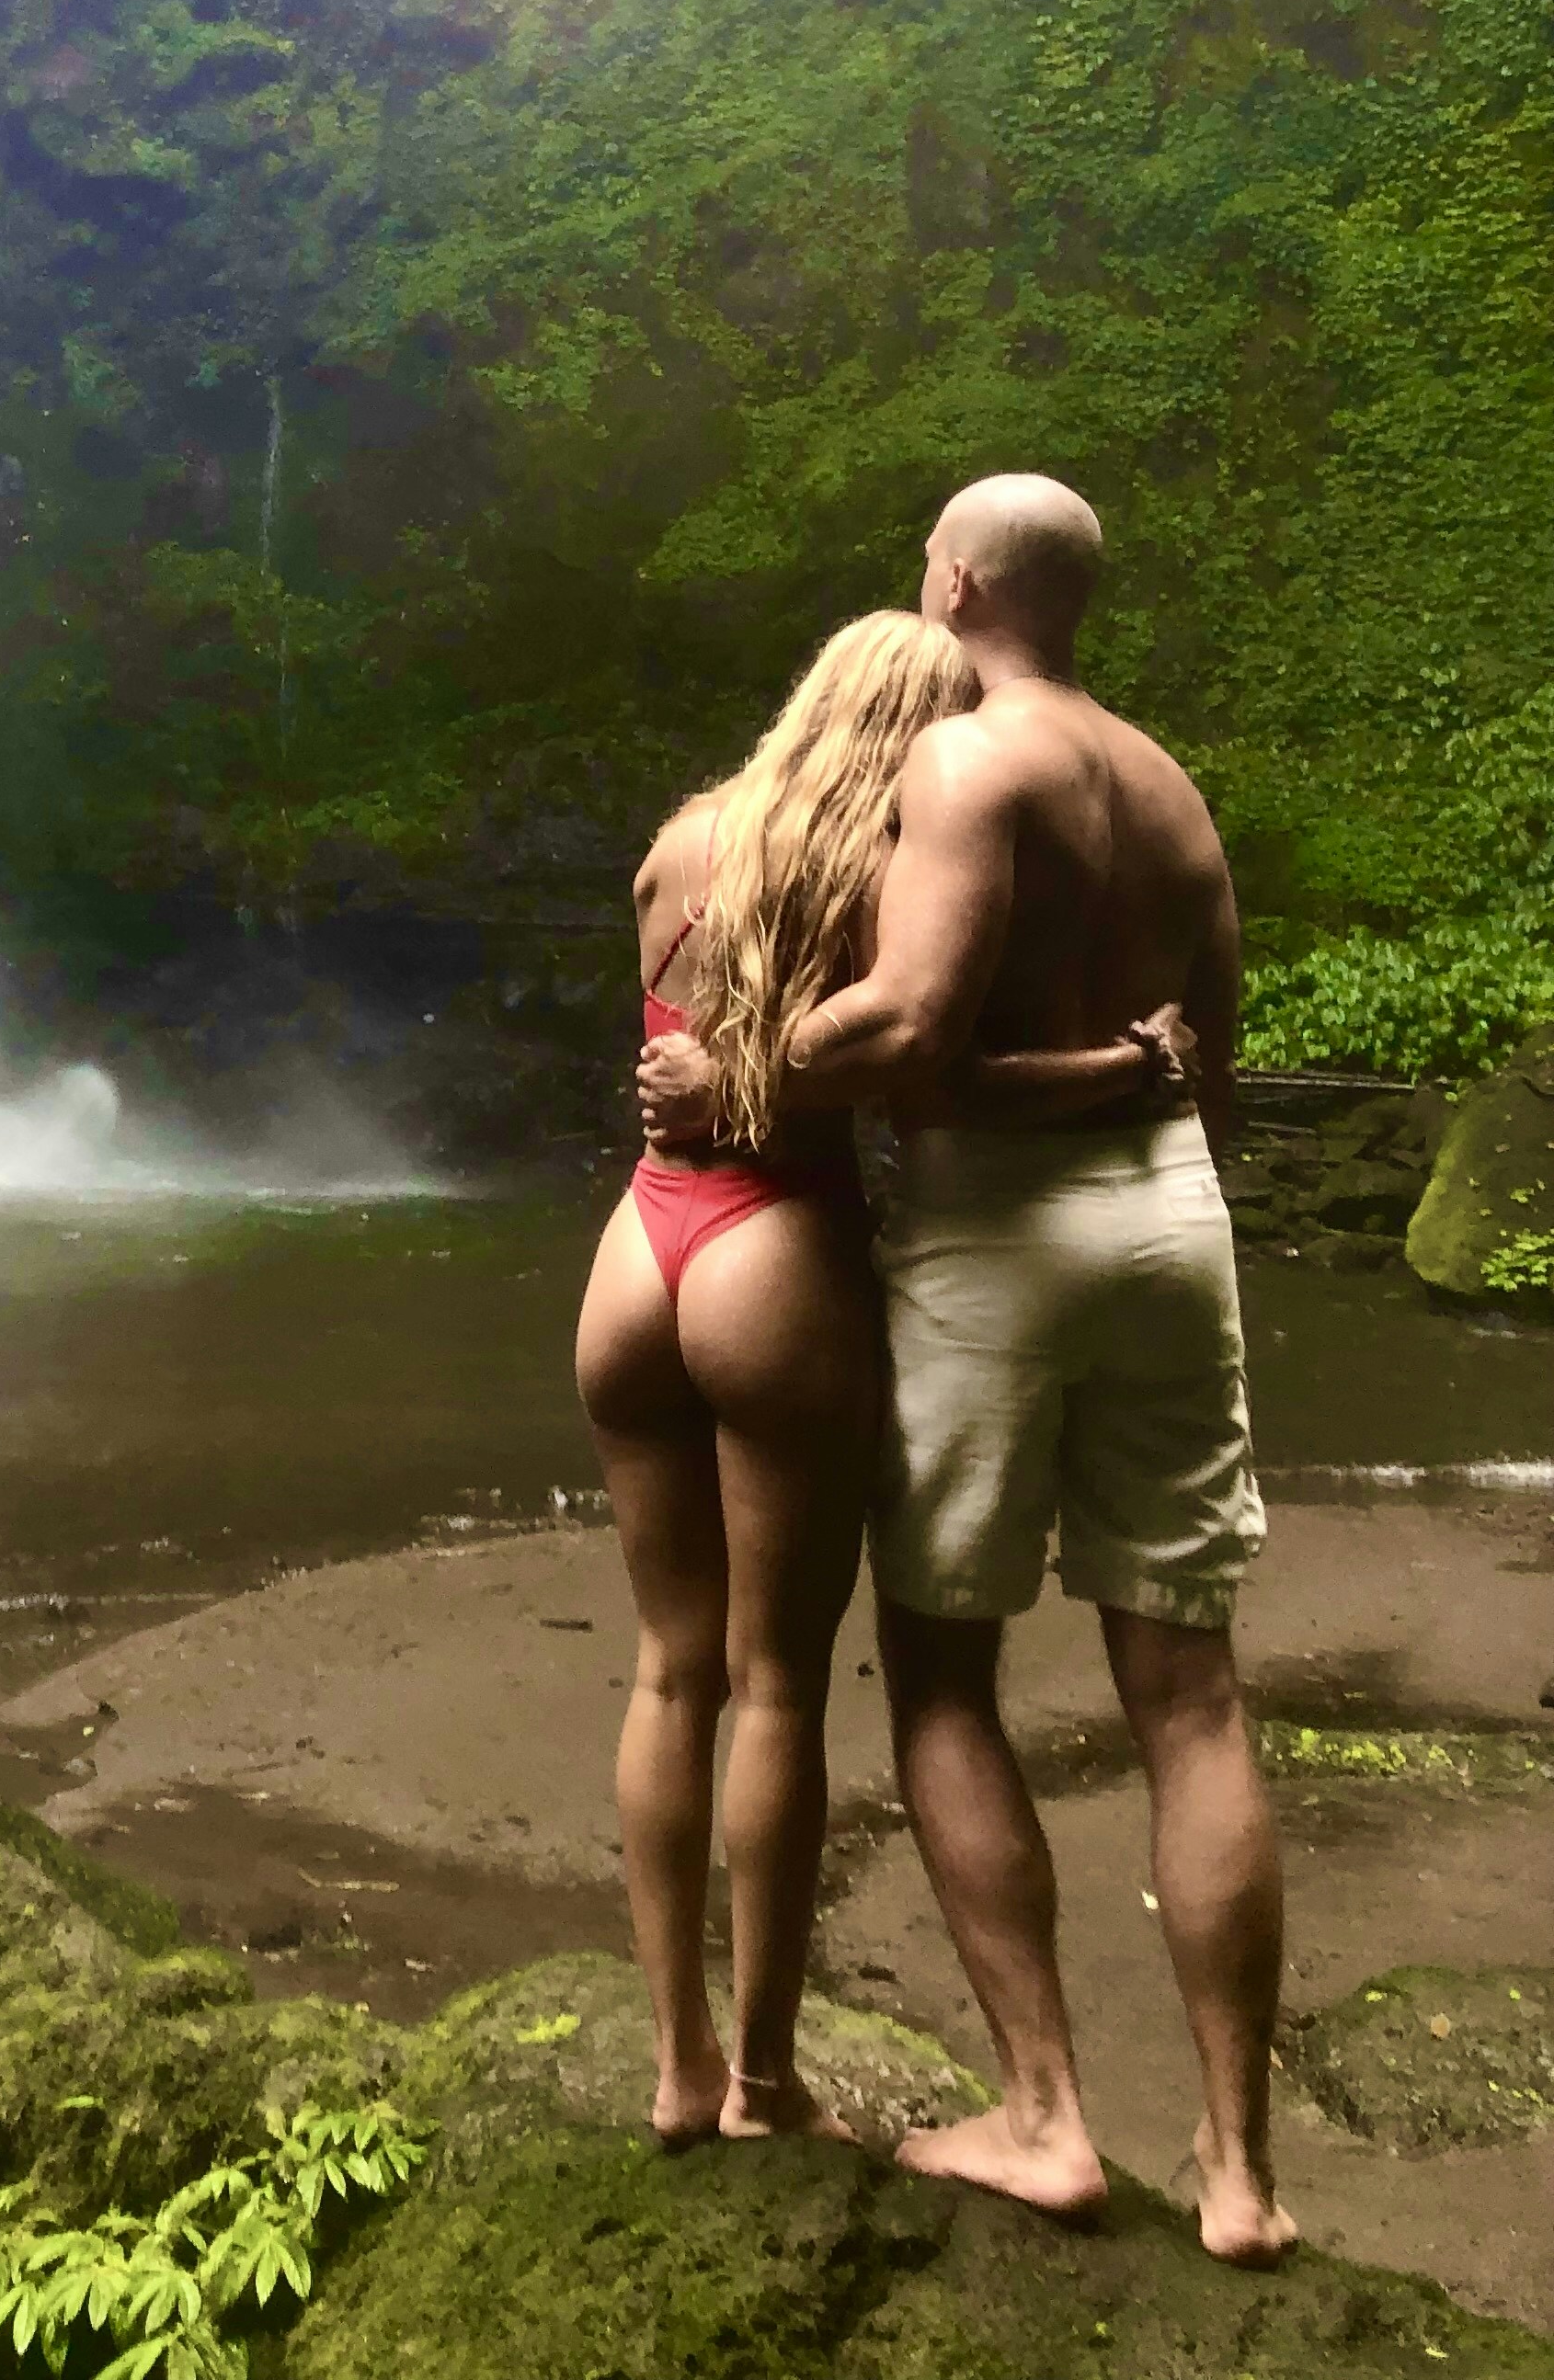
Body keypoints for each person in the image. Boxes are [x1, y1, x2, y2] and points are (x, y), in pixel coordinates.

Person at [660, 473, 1288, 2264]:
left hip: (996, 1239)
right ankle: (1244, 2177)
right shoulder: (1170, 788)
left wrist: (746, 1066)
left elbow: (917, 1020)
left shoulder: (962, 762)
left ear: (949, 581)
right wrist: (1171, 1212)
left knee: (943, 1673)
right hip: (1176, 1228)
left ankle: (1044, 2120)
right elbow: (1216, 1066)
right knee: (1192, 1695)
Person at [580, 610, 1192, 2147]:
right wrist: (1131, 1063)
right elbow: (920, 1071)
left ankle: (667, 2065)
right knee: (778, 1679)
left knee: (667, 1668)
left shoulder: (681, 838)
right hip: (772, 1249)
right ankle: (759, 2083)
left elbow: (668, 1041)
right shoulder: (882, 878)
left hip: (635, 1249)